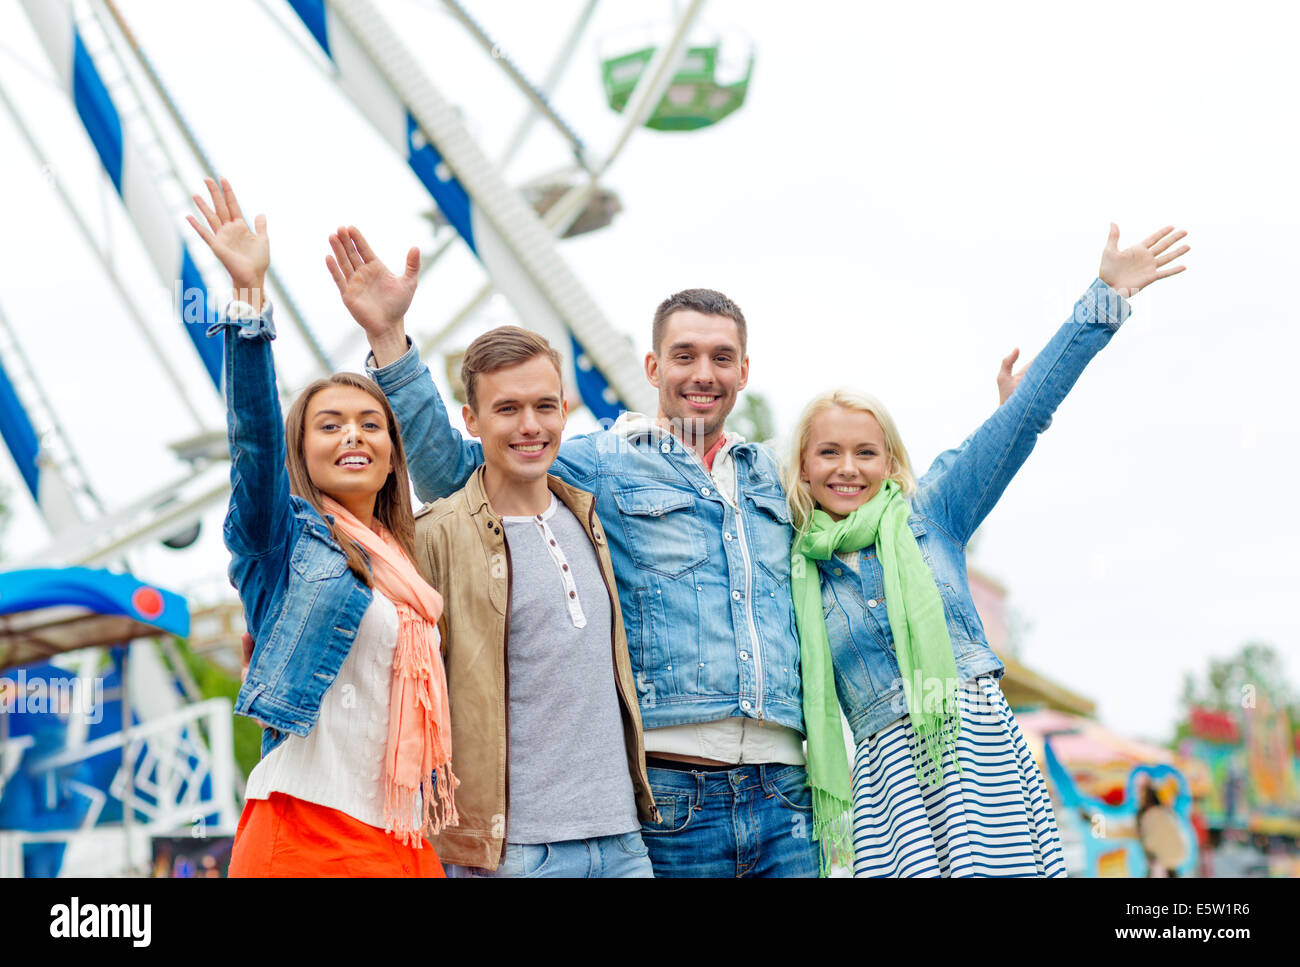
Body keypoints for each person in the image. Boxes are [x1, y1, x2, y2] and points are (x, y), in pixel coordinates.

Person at [326, 225, 821, 876]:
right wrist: (390, 341)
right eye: (685, 355)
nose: (704, 373)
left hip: (786, 791)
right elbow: (454, 470)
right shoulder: (601, 463)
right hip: (677, 789)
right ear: (652, 367)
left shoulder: (777, 478)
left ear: (744, 371)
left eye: (722, 357)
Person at [784, 223, 1189, 877]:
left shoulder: (932, 511)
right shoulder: (796, 567)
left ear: (891, 462)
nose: (847, 468)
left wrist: (1105, 295)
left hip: (978, 757)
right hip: (891, 791)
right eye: (828, 452)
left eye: (866, 451)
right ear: (802, 466)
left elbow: (1024, 415)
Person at [186, 179, 457, 877]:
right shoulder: (280, 543)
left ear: (394, 452)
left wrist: (388, 336)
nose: (352, 436)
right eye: (329, 425)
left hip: (401, 832)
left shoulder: (410, 565)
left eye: (371, 424)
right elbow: (252, 443)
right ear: (301, 448)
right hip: (307, 825)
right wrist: (249, 297)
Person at [376, 323, 658, 876]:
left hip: (624, 842)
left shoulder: (591, 516)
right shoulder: (435, 537)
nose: (531, 426)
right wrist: (387, 338)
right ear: (472, 421)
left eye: (545, 406)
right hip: (515, 855)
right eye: (507, 410)